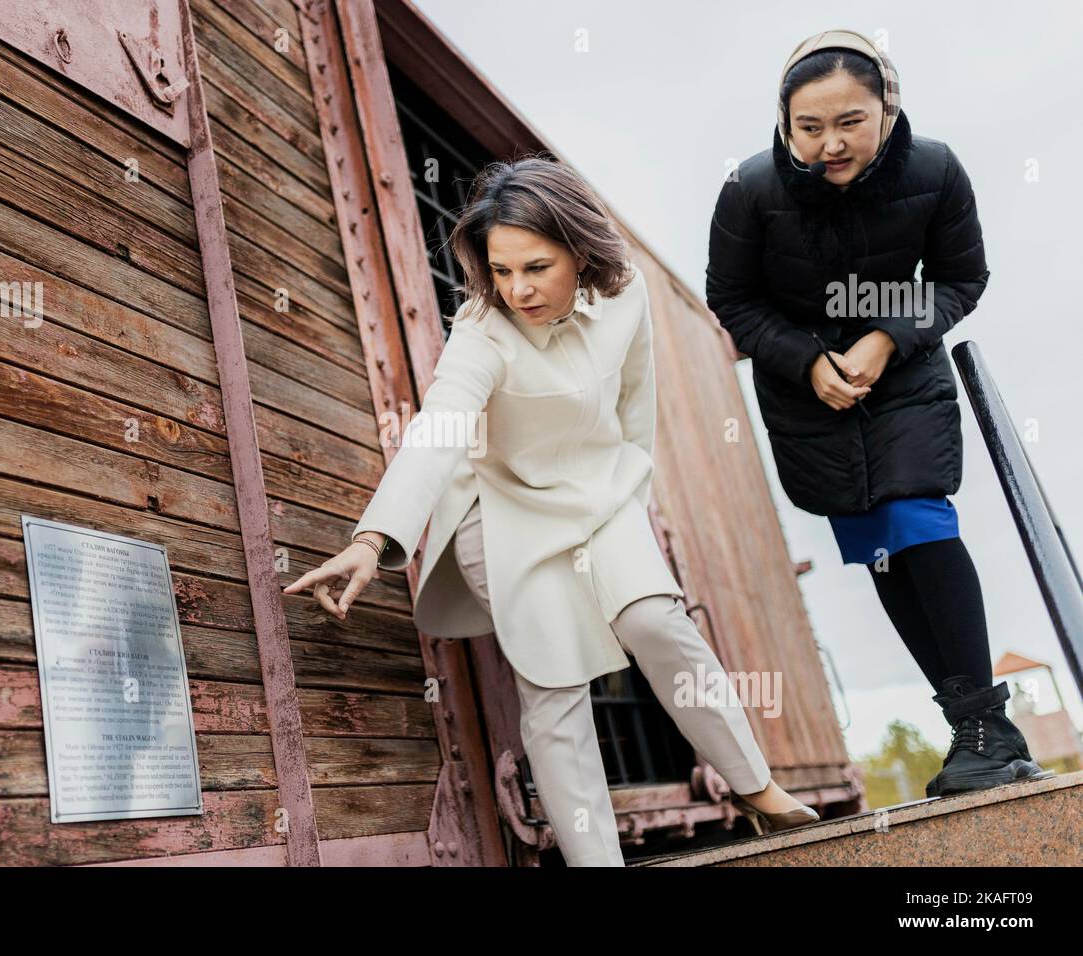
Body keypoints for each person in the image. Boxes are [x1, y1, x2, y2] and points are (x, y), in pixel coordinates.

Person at [284, 156, 819, 866]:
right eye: (501, 271)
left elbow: (637, 408)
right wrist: (374, 538)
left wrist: (630, 501)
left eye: (535, 267)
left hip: (600, 489)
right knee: (553, 680)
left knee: (656, 619)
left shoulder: (627, 297)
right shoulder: (482, 330)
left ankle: (754, 788)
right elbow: (441, 428)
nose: (517, 289)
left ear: (579, 249)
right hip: (497, 505)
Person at [705, 28, 1052, 797]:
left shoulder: (936, 169)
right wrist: (805, 361)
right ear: (785, 121)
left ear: (887, 111)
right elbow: (731, 300)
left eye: (849, 122)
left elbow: (962, 277)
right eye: (809, 126)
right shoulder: (750, 190)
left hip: (904, 375)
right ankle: (976, 731)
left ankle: (986, 726)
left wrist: (888, 338)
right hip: (809, 394)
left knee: (919, 517)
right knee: (879, 546)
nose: (829, 144)